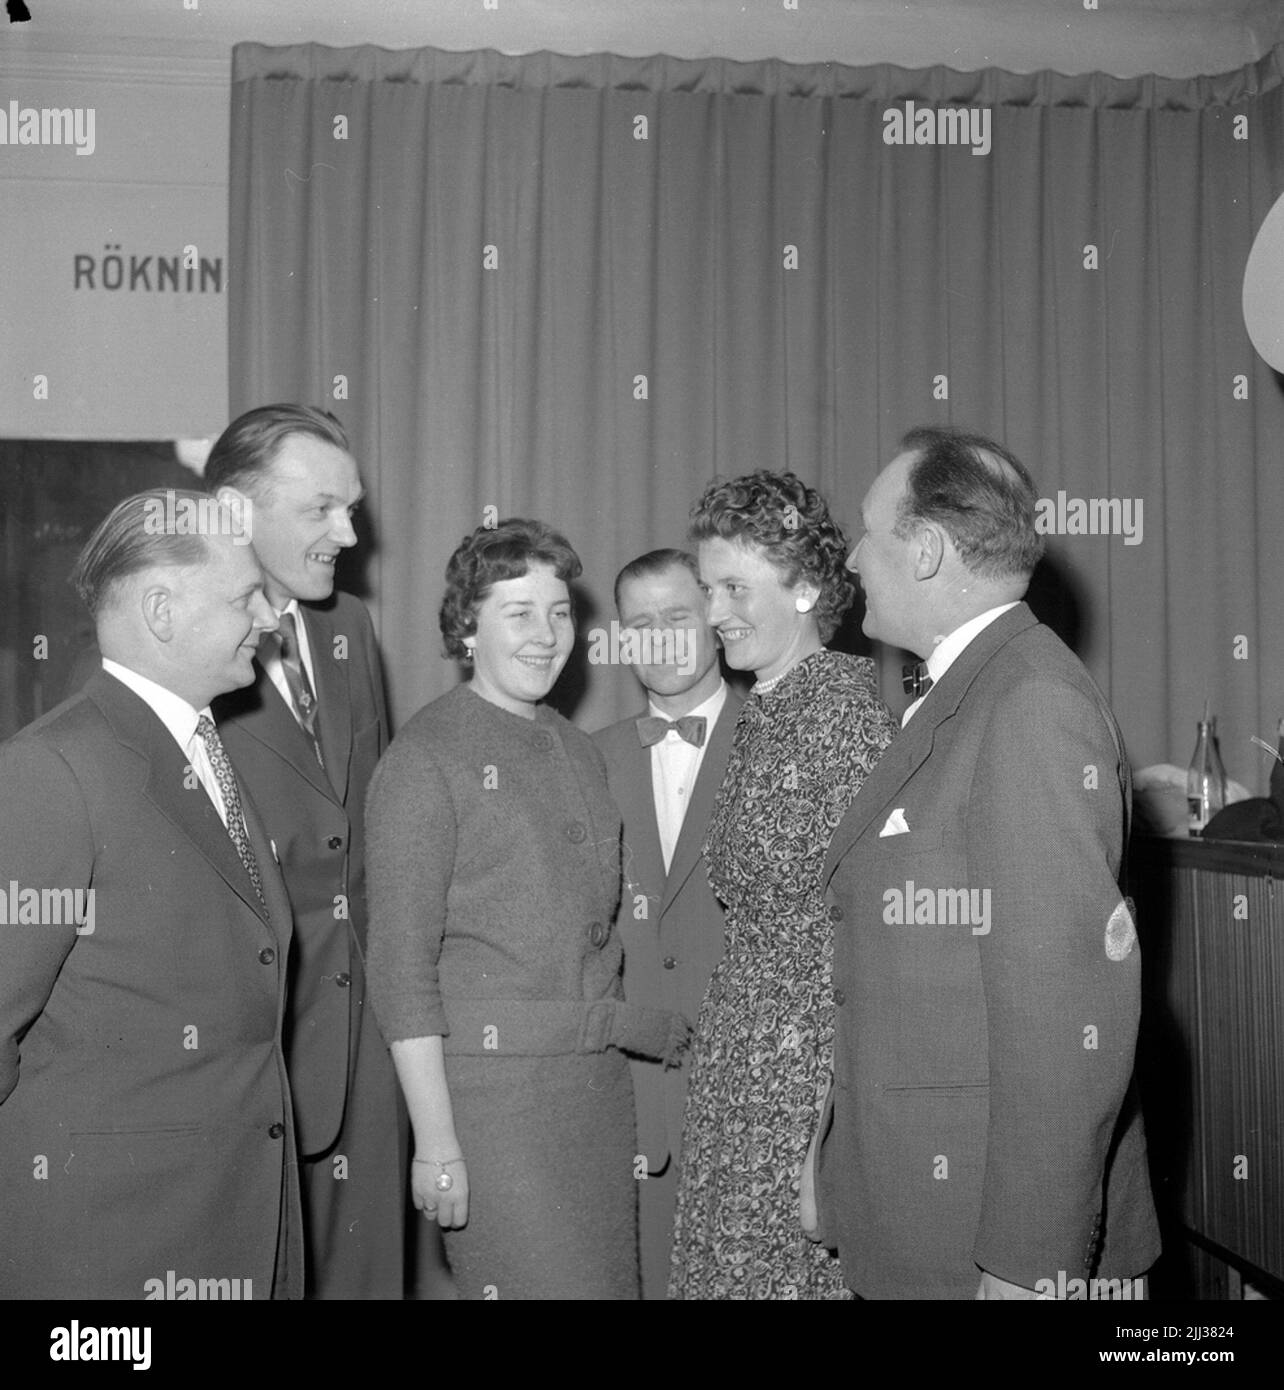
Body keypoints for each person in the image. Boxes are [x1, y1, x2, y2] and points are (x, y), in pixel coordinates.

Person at [807, 424, 1161, 1299]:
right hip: (919, 1212)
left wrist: (1027, 1266)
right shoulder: (967, 693)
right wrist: (836, 1163)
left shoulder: (1029, 704)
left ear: (925, 550)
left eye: (868, 530)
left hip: (984, 1243)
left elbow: (1065, 1019)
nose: (852, 558)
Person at [365, 519, 686, 1300]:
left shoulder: (576, 749)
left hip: (595, 1100)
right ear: (466, 628)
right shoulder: (424, 758)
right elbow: (401, 972)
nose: (546, 636)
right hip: (495, 1113)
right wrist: (437, 1144)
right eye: (518, 613)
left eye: (559, 612)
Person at [0, 491, 302, 1299]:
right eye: (245, 596)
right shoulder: (52, 772)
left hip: (231, 1229)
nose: (271, 617)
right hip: (111, 1255)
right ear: (162, 611)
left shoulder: (207, 747)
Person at [667, 472, 897, 1300]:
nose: (715, 610)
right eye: (708, 587)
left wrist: (827, 1143)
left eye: (736, 587)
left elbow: (865, 946)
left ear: (804, 586)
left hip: (800, 1084)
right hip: (742, 1065)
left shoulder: (844, 716)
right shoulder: (765, 711)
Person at [205, 405, 406, 1299]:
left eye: (352, 507)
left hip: (363, 1036)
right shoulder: (186, 641)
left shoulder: (349, 626)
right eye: (323, 508)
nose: (351, 532)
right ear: (234, 511)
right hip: (249, 1040)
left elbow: (372, 831)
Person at [593, 549, 742, 1299]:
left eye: (678, 618)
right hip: (632, 1119)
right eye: (639, 624)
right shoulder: (586, 763)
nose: (659, 640)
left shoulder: (782, 740)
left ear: (716, 621)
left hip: (753, 1115)